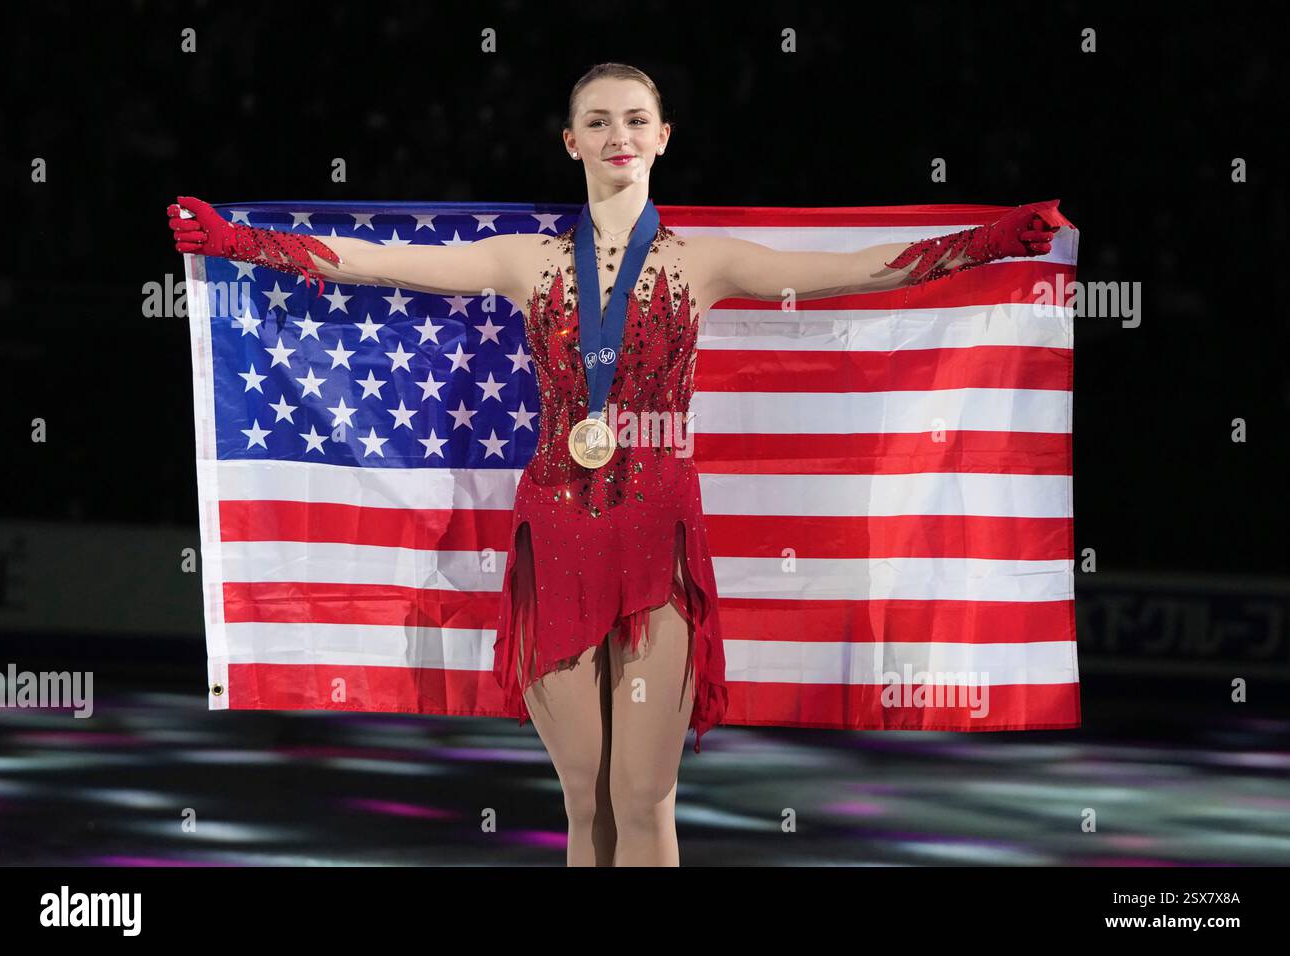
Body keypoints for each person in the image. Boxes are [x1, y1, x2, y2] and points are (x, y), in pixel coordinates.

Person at [166, 61, 1060, 867]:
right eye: (598, 121)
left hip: (658, 530)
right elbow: (378, 261)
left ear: (663, 136)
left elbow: (860, 269)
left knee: (643, 797)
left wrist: (989, 240)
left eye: (635, 119)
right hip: (554, 524)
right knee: (584, 799)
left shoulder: (701, 260)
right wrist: (241, 242)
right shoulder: (526, 260)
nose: (617, 135)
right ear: (571, 141)